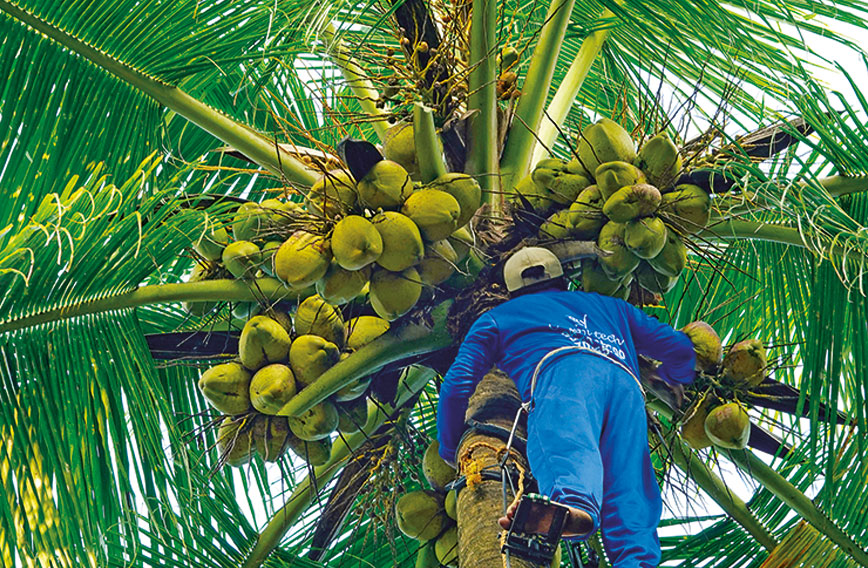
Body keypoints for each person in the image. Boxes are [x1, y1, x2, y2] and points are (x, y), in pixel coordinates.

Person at [437, 247, 696, 567]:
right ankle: (636, 558)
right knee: (629, 481)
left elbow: (457, 385)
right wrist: (673, 377)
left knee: (568, 446)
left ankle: (574, 506)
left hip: (562, 376)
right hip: (626, 388)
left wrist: (450, 448)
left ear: (512, 291)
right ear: (562, 281)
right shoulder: (612, 307)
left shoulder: (499, 317)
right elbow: (680, 347)